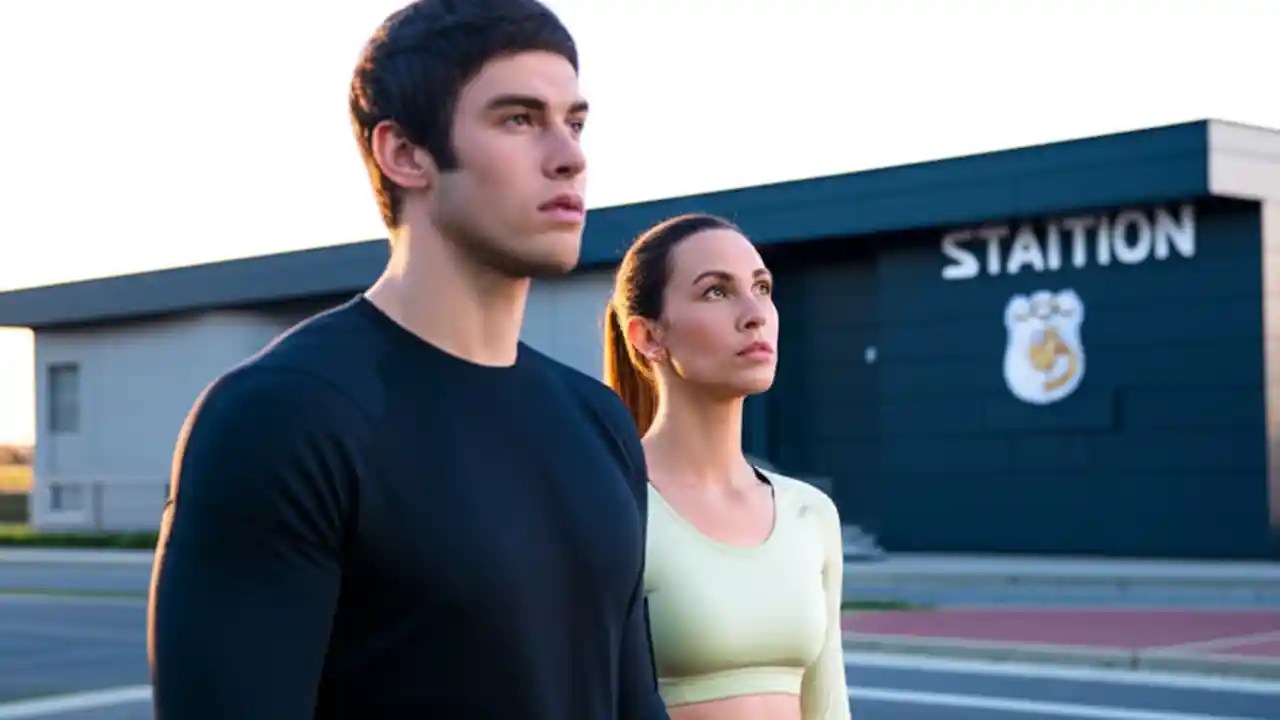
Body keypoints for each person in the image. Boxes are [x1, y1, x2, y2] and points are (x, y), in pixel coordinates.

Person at [146, 1, 668, 718]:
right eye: (519, 119)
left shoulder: (601, 422)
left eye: (574, 122)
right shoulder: (279, 419)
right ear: (404, 153)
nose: (570, 155)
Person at [603, 213, 851, 720]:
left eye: (762, 287)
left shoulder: (811, 513)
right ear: (648, 336)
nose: (755, 313)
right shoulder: (612, 500)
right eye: (717, 292)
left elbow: (828, 704)